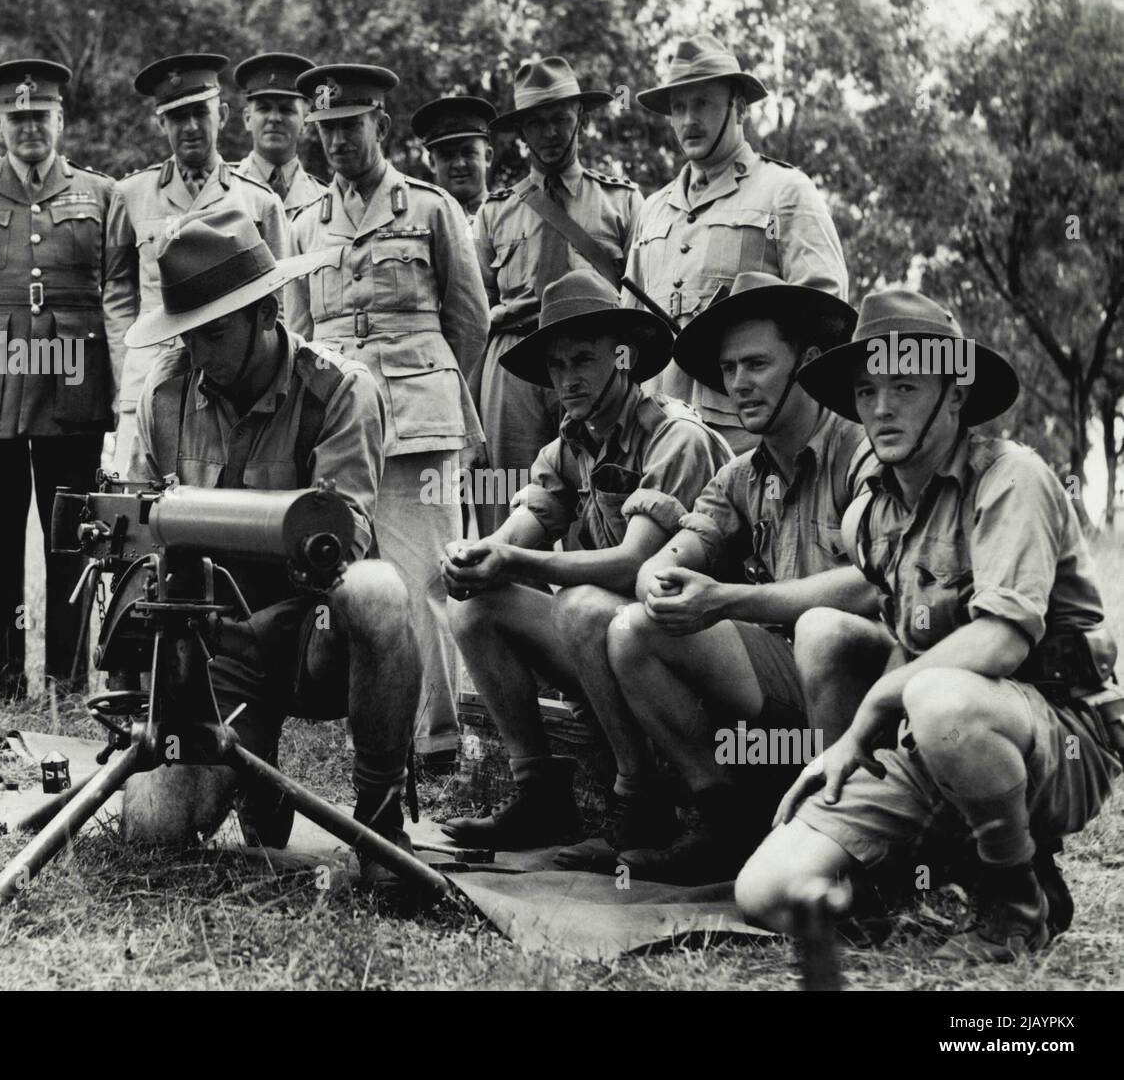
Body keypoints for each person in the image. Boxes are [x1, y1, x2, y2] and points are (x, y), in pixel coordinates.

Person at [735, 288, 1122, 962]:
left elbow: (1002, 639)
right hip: (937, 735)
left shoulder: (1011, 477)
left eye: (905, 386)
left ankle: (1018, 904)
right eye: (866, 391)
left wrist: (873, 712)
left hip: (1060, 737)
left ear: (954, 395)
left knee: (936, 698)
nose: (881, 408)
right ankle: (911, 883)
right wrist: (854, 753)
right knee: (768, 892)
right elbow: (908, 642)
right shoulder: (874, 515)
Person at [121, 209, 421, 884]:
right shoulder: (164, 397)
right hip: (216, 643)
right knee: (152, 834)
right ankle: (259, 777)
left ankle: (381, 823)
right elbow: (140, 525)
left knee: (379, 594)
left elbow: (340, 541)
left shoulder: (339, 390)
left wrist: (272, 618)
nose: (199, 355)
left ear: (267, 311)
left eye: (215, 333)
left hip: (312, 633)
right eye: (187, 335)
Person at [438, 270, 732, 858]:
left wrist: (511, 556)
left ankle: (639, 800)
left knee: (583, 605)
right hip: (615, 641)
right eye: (555, 366)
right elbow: (520, 529)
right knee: (475, 606)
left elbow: (634, 565)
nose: (566, 380)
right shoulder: (570, 444)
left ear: (623, 359)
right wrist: (475, 557)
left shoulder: (676, 437)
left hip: (695, 654)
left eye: (583, 360)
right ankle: (540, 794)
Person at [605, 272, 876, 884]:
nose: (737, 385)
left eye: (756, 364)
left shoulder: (860, 452)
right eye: (728, 369)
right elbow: (678, 549)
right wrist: (661, 579)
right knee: (630, 629)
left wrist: (728, 600)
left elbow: (870, 586)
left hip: (866, 687)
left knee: (823, 632)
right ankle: (725, 820)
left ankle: (845, 837)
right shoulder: (741, 477)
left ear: (807, 363)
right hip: (783, 693)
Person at [286, 62, 491, 765]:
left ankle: (437, 735)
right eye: (327, 130)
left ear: (380, 124)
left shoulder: (431, 209)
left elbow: (469, 322)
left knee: (429, 579)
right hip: (343, 428)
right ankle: (376, 729)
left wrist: (424, 380)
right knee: (355, 580)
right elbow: (299, 332)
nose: (338, 142)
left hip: (418, 419)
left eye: (351, 127)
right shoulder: (305, 221)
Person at [0, 59, 134, 702]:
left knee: (70, 538)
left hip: (71, 386)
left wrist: (120, 394)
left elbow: (121, 298)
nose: (29, 129)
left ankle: (68, 681)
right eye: (17, 119)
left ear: (61, 122)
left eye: (40, 117)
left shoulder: (102, 195)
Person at [625, 34, 847, 454]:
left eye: (704, 103)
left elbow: (825, 313)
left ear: (738, 108)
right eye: (678, 107)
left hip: (746, 440)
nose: (689, 119)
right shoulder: (652, 210)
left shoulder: (784, 191)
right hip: (657, 437)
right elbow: (627, 330)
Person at [474, 56, 642, 537]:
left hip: (596, 362)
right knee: (507, 497)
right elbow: (473, 314)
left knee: (605, 493)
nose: (548, 133)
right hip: (515, 365)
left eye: (559, 119)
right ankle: (504, 605)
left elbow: (637, 299)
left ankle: (588, 603)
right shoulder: (494, 213)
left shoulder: (622, 201)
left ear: (581, 121)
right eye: (536, 122)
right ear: (521, 132)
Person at [104, 53, 290, 478]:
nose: (189, 127)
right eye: (176, 116)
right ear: (159, 124)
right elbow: (117, 292)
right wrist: (126, 365)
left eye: (199, 113)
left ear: (222, 115)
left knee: (224, 502)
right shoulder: (130, 195)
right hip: (149, 379)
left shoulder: (257, 201)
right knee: (135, 506)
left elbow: (279, 302)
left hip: (233, 384)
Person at [232, 52, 327, 221]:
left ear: (305, 122)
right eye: (264, 108)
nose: (275, 118)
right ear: (247, 119)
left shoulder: (324, 199)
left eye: (286, 109)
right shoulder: (224, 192)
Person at [410, 95, 496, 225]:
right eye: (447, 155)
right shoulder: (417, 222)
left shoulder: (510, 216)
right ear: (432, 163)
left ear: (488, 156)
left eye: (469, 152)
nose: (459, 164)